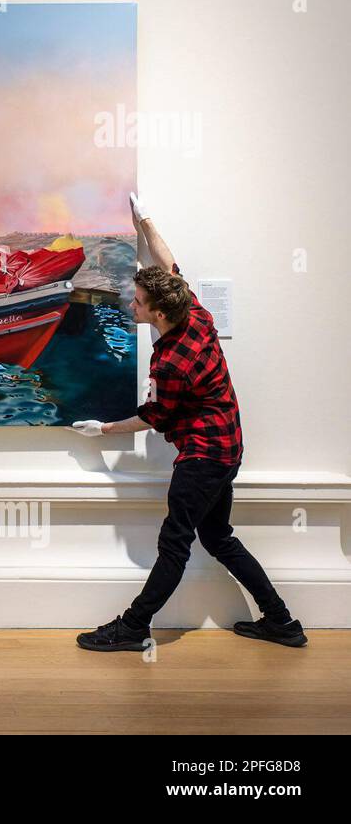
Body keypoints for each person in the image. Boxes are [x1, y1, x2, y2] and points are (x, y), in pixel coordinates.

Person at [71, 193, 306, 651]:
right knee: (218, 536)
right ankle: (282, 621)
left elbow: (154, 417)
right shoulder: (193, 312)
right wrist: (145, 221)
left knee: (175, 543)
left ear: (158, 312)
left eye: (138, 302)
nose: (132, 305)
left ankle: (134, 627)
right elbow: (169, 263)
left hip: (203, 456)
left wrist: (103, 429)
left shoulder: (172, 363)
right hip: (230, 446)